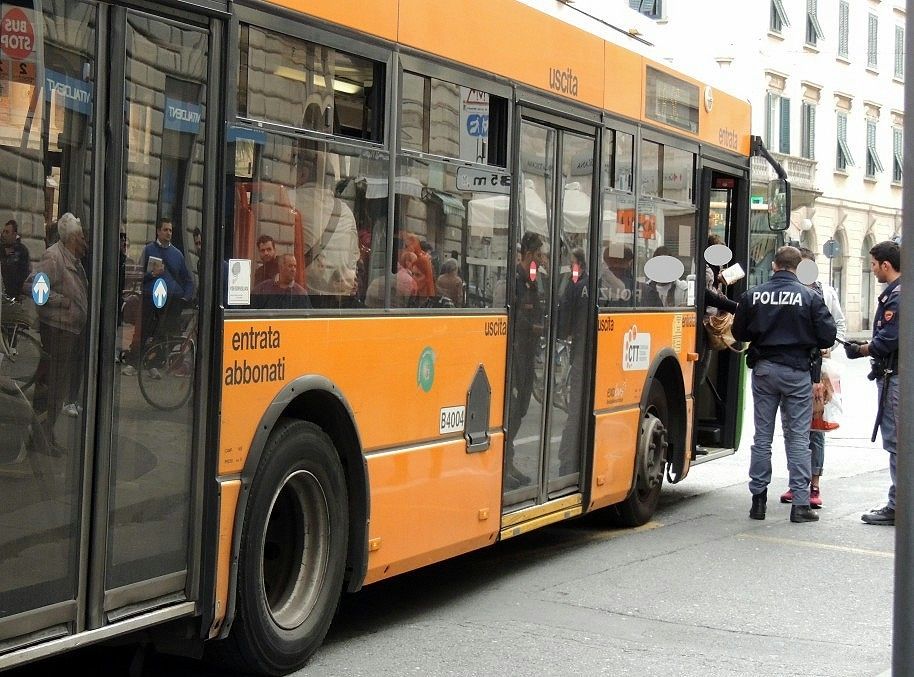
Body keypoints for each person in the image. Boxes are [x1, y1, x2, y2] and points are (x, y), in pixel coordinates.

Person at [732, 245, 837, 523]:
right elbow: (827, 336)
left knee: (762, 437)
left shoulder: (753, 295)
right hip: (798, 373)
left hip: (765, 370)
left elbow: (738, 332)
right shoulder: (811, 297)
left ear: (775, 266)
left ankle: (758, 502)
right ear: (796, 268)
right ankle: (801, 505)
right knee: (799, 439)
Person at [778, 247, 846, 509]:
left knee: (816, 429)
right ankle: (797, 481)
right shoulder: (788, 294)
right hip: (793, 366)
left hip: (820, 369)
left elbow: (839, 325)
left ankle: (814, 484)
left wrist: (830, 345)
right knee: (793, 428)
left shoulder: (825, 293)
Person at [844, 239, 901, 526]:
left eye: (874, 265)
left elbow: (889, 340)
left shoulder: (898, 297)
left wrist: (862, 349)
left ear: (886, 265)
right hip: (893, 375)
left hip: (896, 378)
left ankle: (897, 506)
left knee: (897, 443)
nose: (874, 270)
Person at [29, 213, 88, 455]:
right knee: (53, 385)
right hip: (57, 330)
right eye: (81, 236)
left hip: (68, 330)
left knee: (59, 386)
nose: (85, 240)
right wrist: (63, 303)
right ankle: (40, 437)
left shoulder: (72, 258)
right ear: (73, 237)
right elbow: (35, 287)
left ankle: (46, 434)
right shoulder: (54, 257)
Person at [122, 218, 194, 376]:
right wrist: (152, 274)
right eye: (165, 230)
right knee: (142, 331)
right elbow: (139, 276)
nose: (168, 233)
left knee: (162, 333)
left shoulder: (177, 254)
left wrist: (185, 298)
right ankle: (134, 363)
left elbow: (187, 279)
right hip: (149, 296)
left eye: (170, 230)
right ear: (158, 231)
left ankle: (154, 364)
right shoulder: (148, 250)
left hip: (170, 298)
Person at [505, 231, 546, 489]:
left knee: (521, 409)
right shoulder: (516, 279)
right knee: (514, 408)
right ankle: (505, 464)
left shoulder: (532, 279)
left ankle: (509, 463)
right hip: (517, 352)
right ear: (529, 255)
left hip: (528, 352)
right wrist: (531, 327)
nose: (541, 260)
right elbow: (514, 314)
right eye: (539, 255)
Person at [556, 247, 589, 476]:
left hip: (580, 349)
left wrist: (562, 331)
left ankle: (567, 456)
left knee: (576, 407)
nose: (571, 267)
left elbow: (567, 304)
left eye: (572, 263)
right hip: (584, 348)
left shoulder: (577, 280)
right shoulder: (587, 281)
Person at [1, 219, 30, 299]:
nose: (4, 235)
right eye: (3, 231)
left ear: (14, 234)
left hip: (15, 297)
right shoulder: (1, 249)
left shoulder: (22, 251)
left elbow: (24, 274)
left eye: (7, 232)